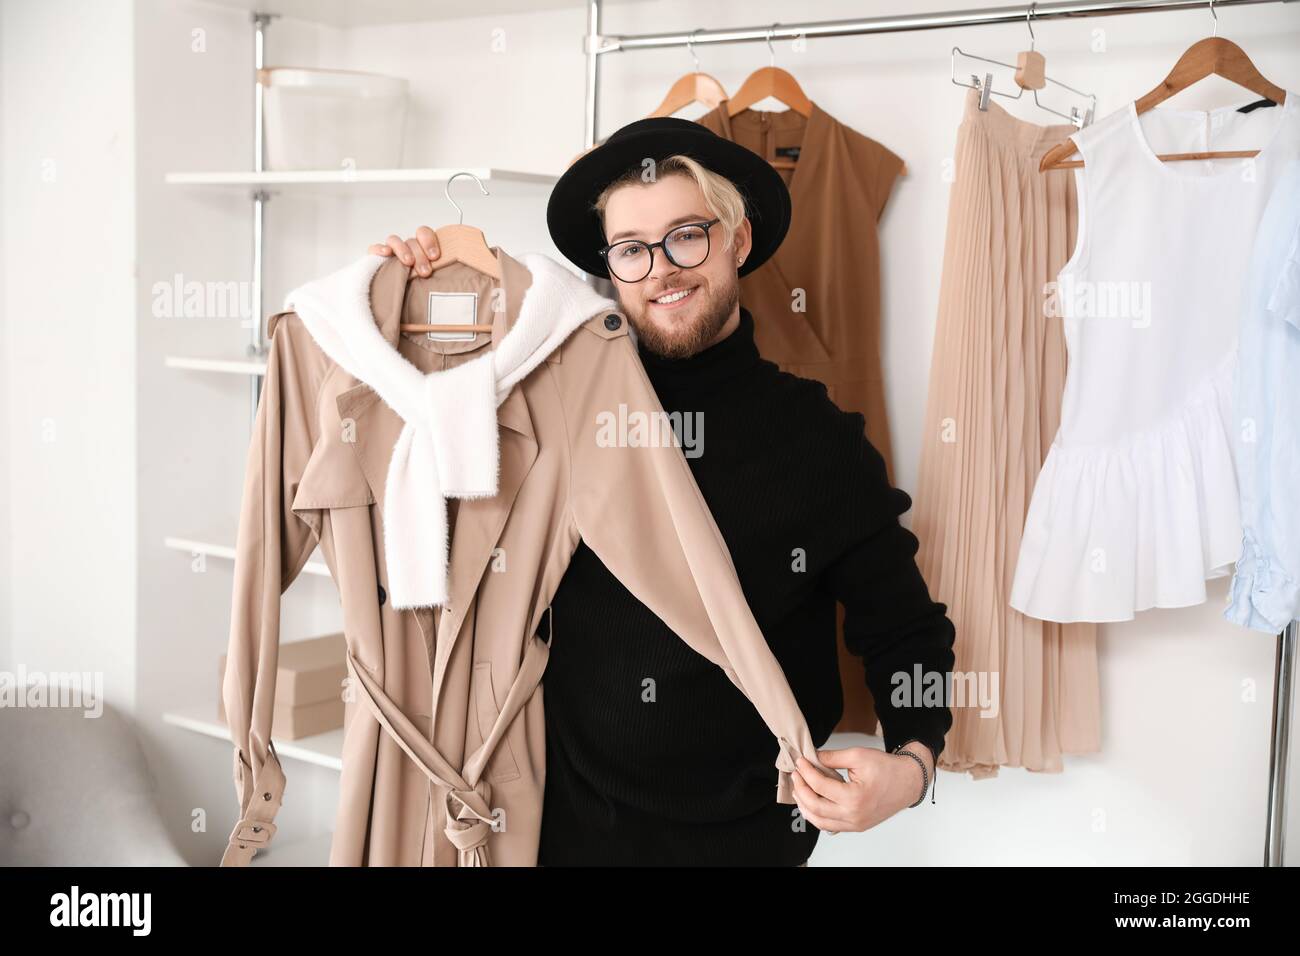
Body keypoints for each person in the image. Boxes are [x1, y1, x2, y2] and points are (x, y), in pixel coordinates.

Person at [367, 117, 956, 866]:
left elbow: (906, 632)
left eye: (687, 236)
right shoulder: (550, 410)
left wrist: (911, 770)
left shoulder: (818, 439)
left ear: (737, 242)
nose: (661, 272)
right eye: (633, 251)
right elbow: (421, 468)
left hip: (747, 844)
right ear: (610, 268)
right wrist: (401, 297)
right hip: (552, 831)